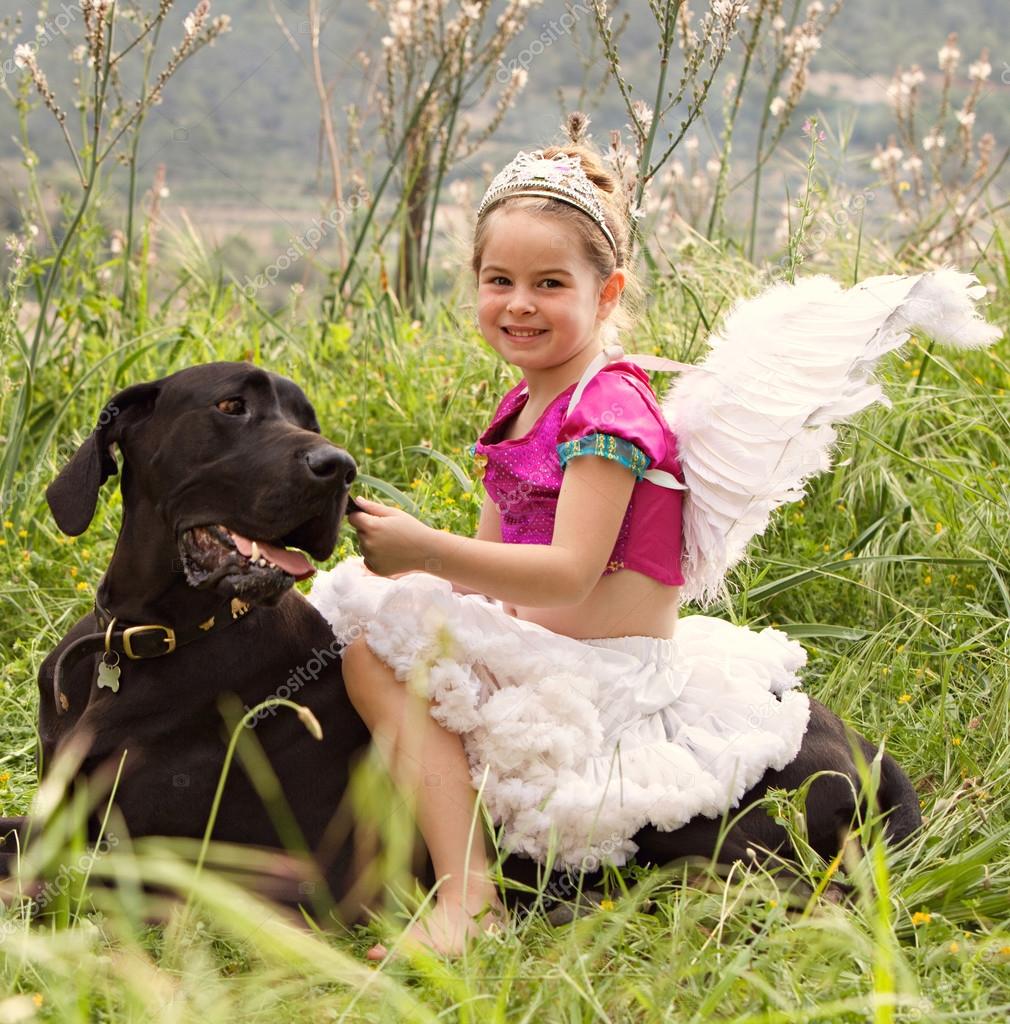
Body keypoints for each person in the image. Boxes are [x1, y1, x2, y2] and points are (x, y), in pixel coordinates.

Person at [308, 144, 816, 960]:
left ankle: (468, 900)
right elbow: (487, 554)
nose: (519, 305)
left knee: (374, 654)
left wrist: (421, 552)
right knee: (351, 601)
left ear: (606, 292)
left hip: (604, 663)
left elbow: (570, 570)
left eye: (550, 285)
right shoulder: (523, 402)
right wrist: (409, 562)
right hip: (540, 636)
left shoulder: (605, 407)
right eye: (499, 281)